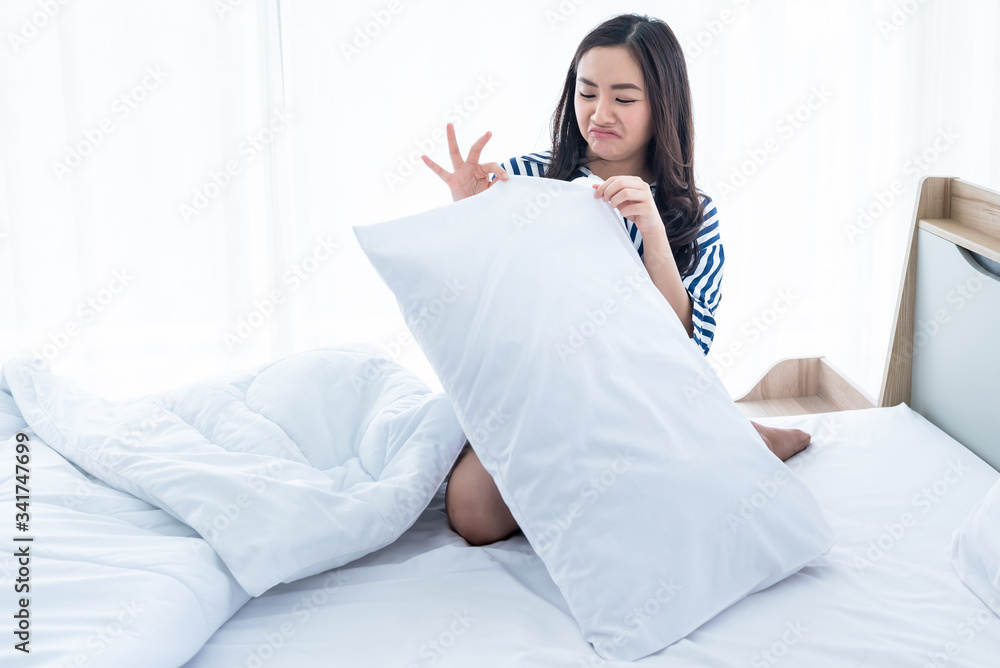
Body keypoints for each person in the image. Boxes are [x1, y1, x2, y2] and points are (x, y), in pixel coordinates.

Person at [421, 13, 810, 547]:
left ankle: (744, 436)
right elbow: (471, 298)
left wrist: (651, 229)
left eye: (624, 98)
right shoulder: (527, 178)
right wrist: (468, 211)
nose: (599, 114)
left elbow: (686, 344)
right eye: (587, 93)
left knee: (671, 488)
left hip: (637, 391)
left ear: (662, 107)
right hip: (537, 387)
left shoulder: (693, 213)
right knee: (474, 517)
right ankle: (728, 434)